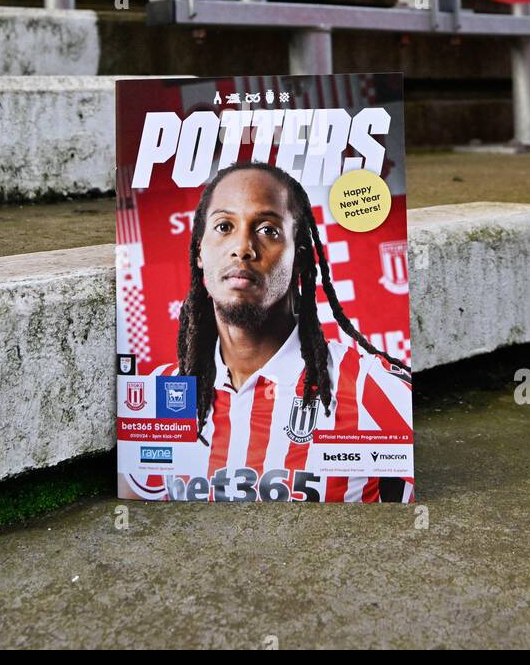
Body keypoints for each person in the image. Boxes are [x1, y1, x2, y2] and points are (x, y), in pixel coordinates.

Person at [121, 161, 414, 503]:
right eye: (224, 226)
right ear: (200, 251)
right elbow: (140, 531)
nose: (243, 247)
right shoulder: (160, 396)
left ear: (300, 258)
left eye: (268, 230)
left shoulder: (369, 388)